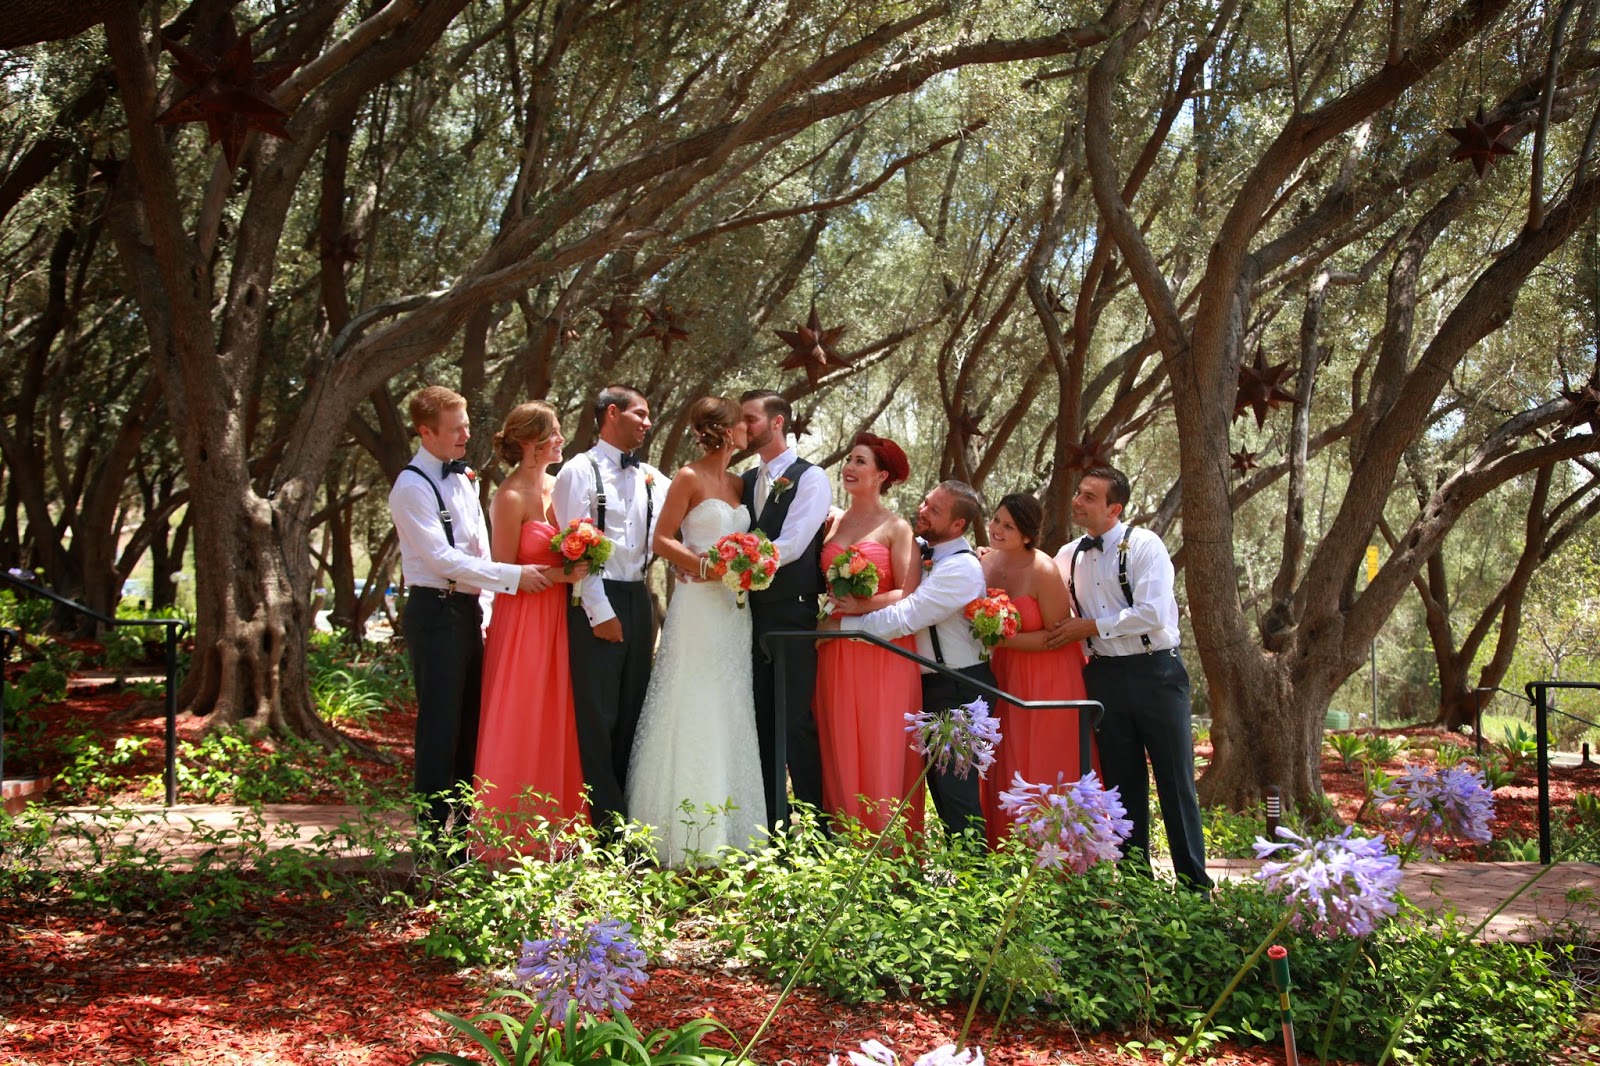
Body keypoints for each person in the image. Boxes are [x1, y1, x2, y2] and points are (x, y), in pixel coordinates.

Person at [388, 385, 553, 832]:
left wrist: (489, 609)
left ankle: (463, 834)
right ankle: (430, 840)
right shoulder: (410, 487)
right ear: (425, 431)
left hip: (467, 612)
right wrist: (514, 577)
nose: (466, 434)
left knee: (470, 727)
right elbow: (441, 559)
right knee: (440, 727)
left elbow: (477, 545)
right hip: (434, 612)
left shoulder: (462, 477)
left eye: (465, 424)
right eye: (455, 427)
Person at [1046, 465, 1212, 892]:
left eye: (1089, 496)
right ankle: (1138, 889)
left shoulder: (1144, 546)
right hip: (1102, 676)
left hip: (1156, 672)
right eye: (1078, 492)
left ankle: (1195, 888)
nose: (1077, 501)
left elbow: (1153, 611)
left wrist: (1092, 627)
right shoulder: (1069, 556)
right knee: (1122, 786)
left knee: (1176, 782)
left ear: (1114, 508)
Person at [626, 397, 766, 865]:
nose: (748, 429)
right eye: (741, 423)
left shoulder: (740, 483)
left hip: (733, 608)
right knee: (693, 698)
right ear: (725, 431)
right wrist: (702, 566)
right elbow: (662, 538)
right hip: (698, 605)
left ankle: (731, 828)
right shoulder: (688, 477)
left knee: (730, 701)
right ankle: (684, 834)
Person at [821, 480, 991, 842]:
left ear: (959, 526)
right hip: (924, 684)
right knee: (930, 789)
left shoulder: (961, 569)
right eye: (926, 502)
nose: (922, 511)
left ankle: (978, 885)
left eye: (935, 510)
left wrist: (841, 625)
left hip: (958, 688)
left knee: (956, 798)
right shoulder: (924, 551)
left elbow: (907, 615)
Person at [474, 402, 590, 852]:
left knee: (556, 715)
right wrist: (561, 576)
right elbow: (503, 572)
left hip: (559, 617)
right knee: (522, 715)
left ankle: (558, 829)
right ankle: (508, 837)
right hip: (523, 621)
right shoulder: (509, 497)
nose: (562, 440)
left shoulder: (558, 487)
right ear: (530, 442)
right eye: (554, 433)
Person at [552, 385, 668, 832]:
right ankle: (604, 827)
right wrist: (600, 614)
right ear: (612, 413)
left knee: (633, 707)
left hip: (640, 597)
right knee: (599, 714)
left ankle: (626, 817)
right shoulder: (577, 471)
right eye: (640, 414)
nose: (647, 422)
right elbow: (573, 548)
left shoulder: (653, 477)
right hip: (596, 600)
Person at [812, 433, 924, 836]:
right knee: (839, 738)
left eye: (860, 462)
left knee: (882, 741)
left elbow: (909, 591)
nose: (850, 467)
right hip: (836, 647)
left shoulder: (897, 527)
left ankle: (887, 847)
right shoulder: (832, 522)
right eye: (849, 460)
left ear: (881, 476)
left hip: (883, 649)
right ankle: (843, 841)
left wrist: (863, 605)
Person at [978, 493, 1095, 850]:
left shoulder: (1042, 570)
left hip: (1048, 676)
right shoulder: (984, 562)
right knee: (1007, 755)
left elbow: (1057, 635)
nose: (997, 529)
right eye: (996, 520)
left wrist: (1000, 640)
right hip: (1004, 673)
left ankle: (1052, 855)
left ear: (1027, 535)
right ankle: (1004, 847)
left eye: (1008, 526)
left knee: (1042, 758)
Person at [738, 390, 829, 828]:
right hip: (746, 614)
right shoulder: (744, 479)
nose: (744, 427)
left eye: (751, 419)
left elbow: (792, 544)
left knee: (795, 722)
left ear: (777, 423)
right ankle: (772, 824)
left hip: (791, 613)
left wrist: (733, 564)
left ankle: (817, 827)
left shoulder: (810, 478)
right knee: (758, 720)